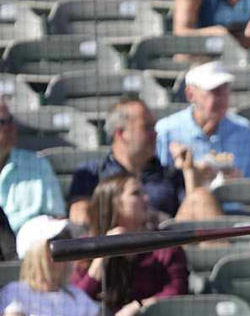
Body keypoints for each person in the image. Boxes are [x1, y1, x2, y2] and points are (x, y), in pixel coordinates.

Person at [69, 96, 221, 226]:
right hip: (116, 249)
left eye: (153, 127)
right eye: (147, 128)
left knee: (201, 197)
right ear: (121, 134)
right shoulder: (92, 173)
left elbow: (193, 215)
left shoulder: (168, 174)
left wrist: (189, 171)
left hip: (165, 248)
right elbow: (79, 218)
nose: (155, 134)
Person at [72, 174, 189, 316]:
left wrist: (139, 306)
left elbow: (177, 292)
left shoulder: (164, 247)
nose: (146, 199)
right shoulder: (85, 248)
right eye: (136, 193)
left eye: (144, 193)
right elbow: (74, 303)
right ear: (112, 203)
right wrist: (101, 257)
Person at [155, 61, 250, 183]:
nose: (222, 97)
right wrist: (189, 174)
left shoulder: (245, 132)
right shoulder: (166, 132)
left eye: (225, 89)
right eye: (214, 91)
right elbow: (161, 189)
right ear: (190, 94)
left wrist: (239, 185)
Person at [0, 223, 98, 316]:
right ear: (36, 253)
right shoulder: (17, 292)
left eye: (64, 241)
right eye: (54, 243)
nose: (63, 250)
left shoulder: (76, 295)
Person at [0, 97, 66, 234]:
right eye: (1, 122)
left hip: (30, 248)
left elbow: (57, 219)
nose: (11, 127)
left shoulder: (38, 164)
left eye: (10, 121)